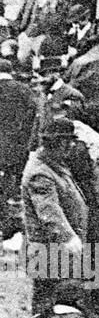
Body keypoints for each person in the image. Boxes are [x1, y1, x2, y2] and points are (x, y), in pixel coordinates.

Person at [22, 117, 92, 318]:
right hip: (49, 248)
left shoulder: (53, 165)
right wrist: (68, 237)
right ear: (57, 144)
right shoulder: (40, 173)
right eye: (68, 143)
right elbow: (49, 212)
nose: (72, 147)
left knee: (56, 299)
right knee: (46, 301)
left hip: (57, 247)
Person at [0, 57, 38, 209]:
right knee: (15, 182)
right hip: (17, 144)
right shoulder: (24, 90)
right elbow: (32, 115)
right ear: (11, 71)